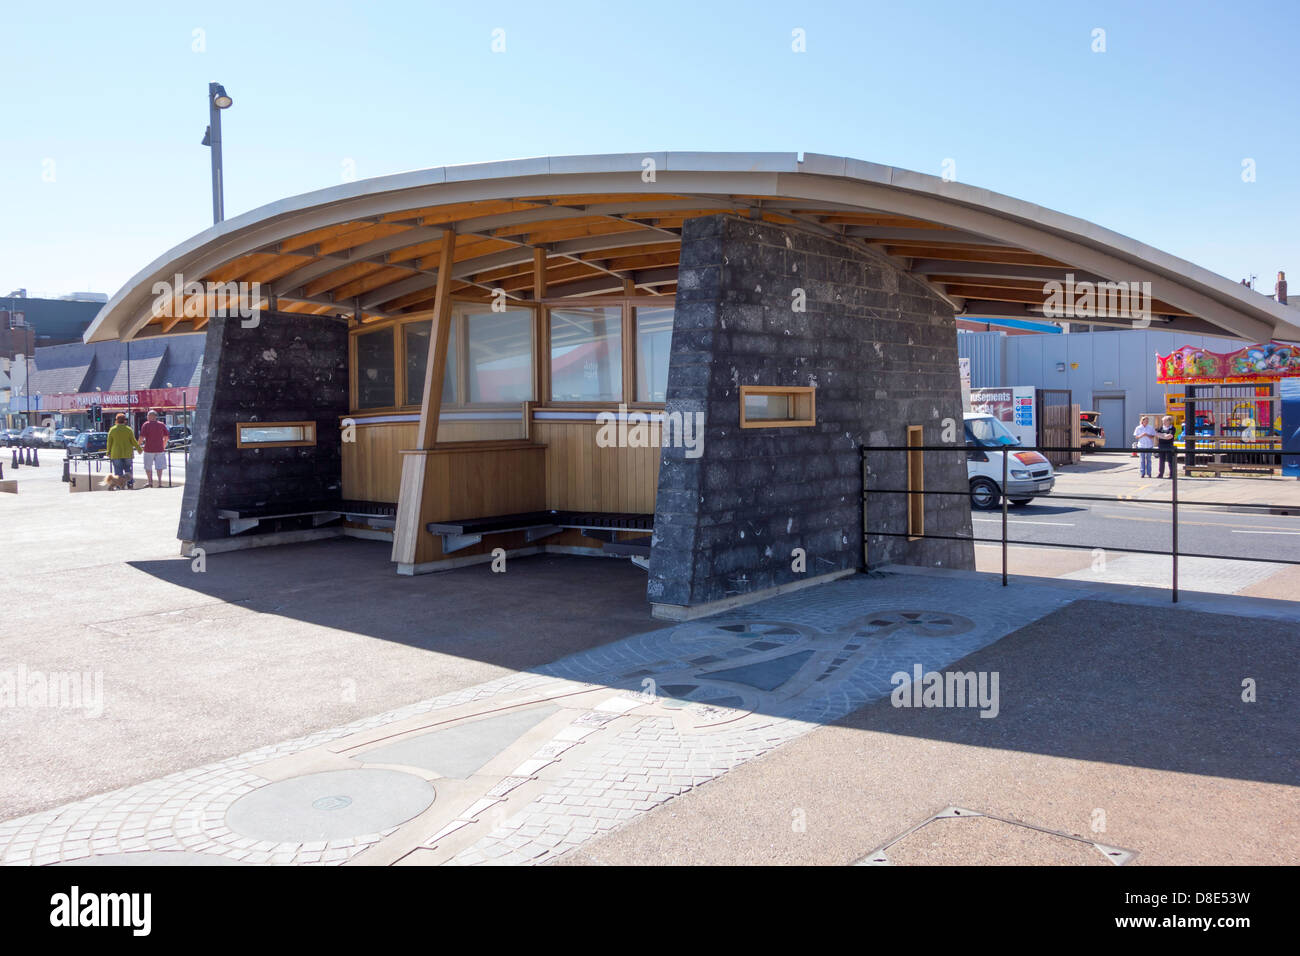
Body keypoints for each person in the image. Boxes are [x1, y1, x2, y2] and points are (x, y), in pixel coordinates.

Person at [105, 413, 142, 490]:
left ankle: (119, 486)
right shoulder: (128, 429)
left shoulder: (112, 430)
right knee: (128, 470)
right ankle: (130, 483)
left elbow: (109, 442)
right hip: (127, 453)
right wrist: (139, 449)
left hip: (116, 454)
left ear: (116, 420)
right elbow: (133, 441)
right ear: (125, 420)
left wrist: (108, 452)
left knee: (118, 471)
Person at [138, 409, 170, 488]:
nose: (147, 417)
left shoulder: (146, 424)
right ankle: (159, 482)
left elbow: (141, 437)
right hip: (159, 449)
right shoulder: (161, 424)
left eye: (148, 415)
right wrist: (163, 446)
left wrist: (138, 446)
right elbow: (166, 437)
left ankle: (150, 482)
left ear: (152, 416)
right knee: (159, 467)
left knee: (148, 466)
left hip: (148, 449)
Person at [1155, 414, 1176, 479]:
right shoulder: (1161, 428)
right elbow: (1156, 434)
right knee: (1161, 460)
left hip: (1169, 445)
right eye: (1163, 421)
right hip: (1161, 445)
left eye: (1164, 421)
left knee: (1170, 460)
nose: (1163, 422)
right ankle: (1160, 474)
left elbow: (1169, 437)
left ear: (1169, 421)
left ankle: (1172, 475)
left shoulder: (1172, 428)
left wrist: (1162, 436)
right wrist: (1164, 435)